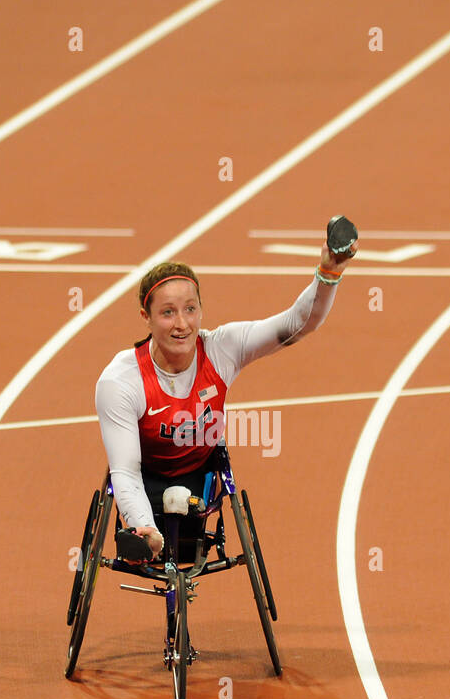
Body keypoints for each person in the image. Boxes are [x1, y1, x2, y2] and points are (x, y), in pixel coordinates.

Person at [95, 233, 356, 561]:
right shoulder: (120, 381)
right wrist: (145, 527)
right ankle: (147, 540)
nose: (182, 324)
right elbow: (126, 471)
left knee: (188, 526)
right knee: (151, 528)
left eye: (190, 309)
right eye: (168, 313)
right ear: (145, 316)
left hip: (201, 475)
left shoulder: (222, 348)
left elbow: (297, 324)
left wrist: (329, 273)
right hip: (145, 477)